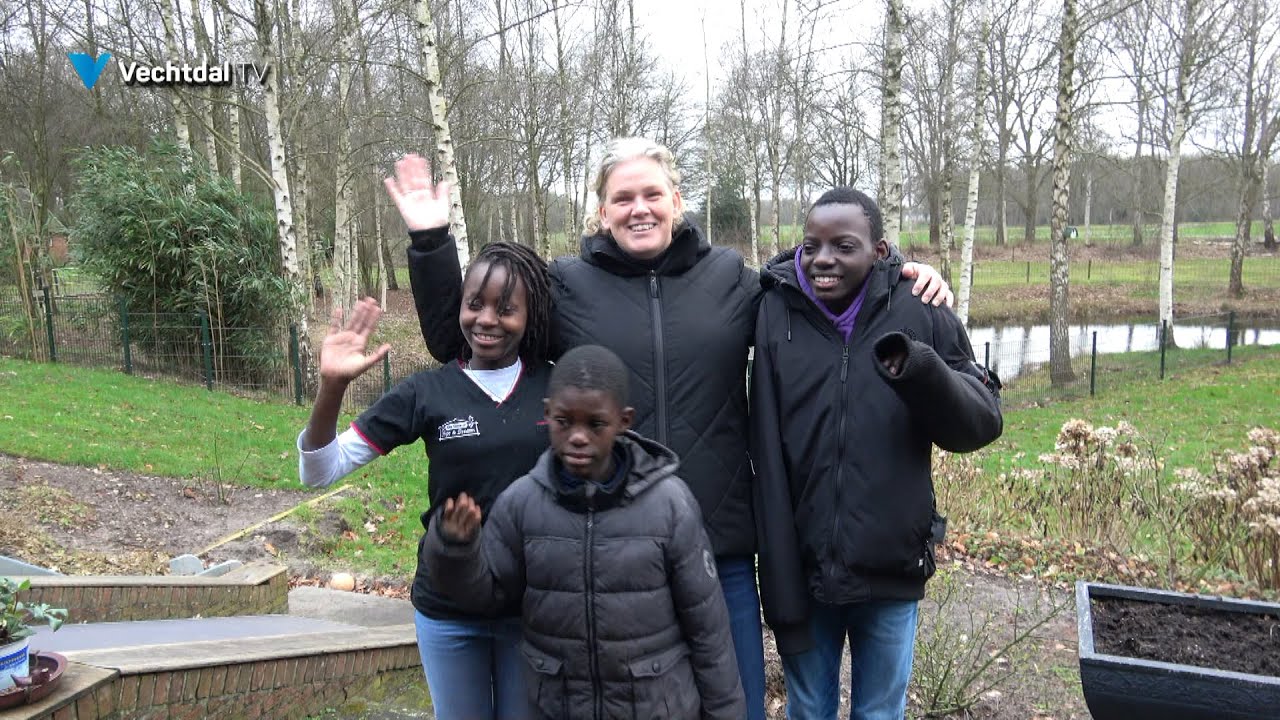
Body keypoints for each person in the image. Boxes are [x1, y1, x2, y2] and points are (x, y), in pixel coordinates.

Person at [385, 139, 953, 720]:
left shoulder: (730, 278)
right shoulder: (565, 288)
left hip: (721, 553)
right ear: (601, 212)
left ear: (676, 201)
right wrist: (430, 242)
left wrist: (899, 272)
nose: (640, 208)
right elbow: (464, 338)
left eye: (652, 194)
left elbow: (822, 278)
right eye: (622, 198)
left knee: (735, 708)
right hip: (611, 561)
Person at [749, 187, 1003, 720]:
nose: (823, 259)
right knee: (808, 709)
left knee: (881, 713)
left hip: (891, 568)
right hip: (804, 570)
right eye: (812, 245)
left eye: (844, 246)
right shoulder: (775, 307)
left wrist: (922, 371)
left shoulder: (919, 305)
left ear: (879, 251)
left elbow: (980, 421)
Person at [296, 241, 555, 720]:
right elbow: (319, 470)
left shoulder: (556, 389)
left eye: (505, 309)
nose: (486, 320)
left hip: (532, 610)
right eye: (474, 304)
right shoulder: (426, 392)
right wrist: (332, 386)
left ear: (530, 315)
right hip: (448, 609)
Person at [424, 344, 746, 720]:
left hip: (655, 707)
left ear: (623, 421)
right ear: (547, 415)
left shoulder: (670, 505)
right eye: (565, 422)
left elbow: (709, 631)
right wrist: (455, 548)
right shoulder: (523, 503)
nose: (578, 437)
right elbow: (487, 592)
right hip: (558, 706)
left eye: (595, 424)